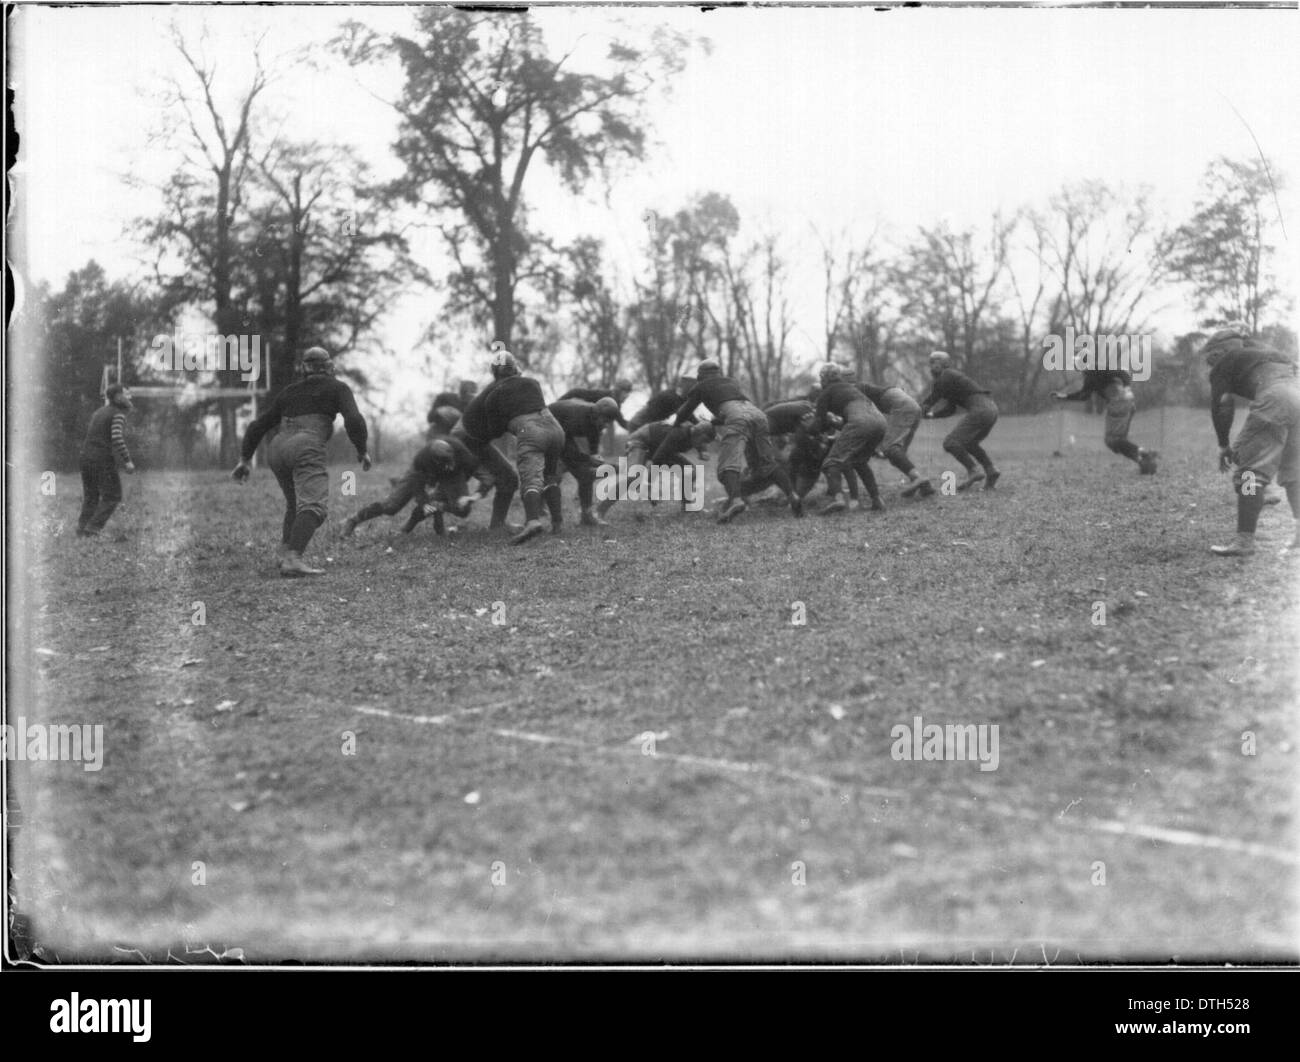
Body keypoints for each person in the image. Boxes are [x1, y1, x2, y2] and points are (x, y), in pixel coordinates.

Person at [232, 346, 370, 577]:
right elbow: (354, 419)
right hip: (306, 445)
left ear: (304, 368)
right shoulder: (338, 388)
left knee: (295, 504)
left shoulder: (288, 392)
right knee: (314, 506)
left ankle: (285, 552)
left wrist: (244, 459)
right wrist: (362, 449)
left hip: (277, 448)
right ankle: (293, 558)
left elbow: (258, 425)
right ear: (328, 366)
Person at [1201, 328, 1300, 557]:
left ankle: (1245, 540)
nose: (1210, 361)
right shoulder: (1263, 351)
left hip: (1276, 397)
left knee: (1248, 471)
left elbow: (1222, 404)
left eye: (1212, 354)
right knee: (1294, 471)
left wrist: (1223, 444)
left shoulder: (1227, 360)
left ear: (1224, 349)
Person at [672, 360, 803, 522]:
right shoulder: (731, 382)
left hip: (736, 415)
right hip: (758, 415)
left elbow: (684, 411)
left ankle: (736, 500)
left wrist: (676, 425)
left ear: (700, 375)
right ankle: (793, 495)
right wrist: (713, 421)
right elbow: (736, 408)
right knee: (768, 463)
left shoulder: (701, 386)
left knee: (727, 465)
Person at [460, 346, 565, 544]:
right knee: (550, 476)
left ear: (494, 372)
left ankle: (532, 521)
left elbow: (496, 430)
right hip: (555, 427)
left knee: (530, 479)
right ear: (515, 368)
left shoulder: (493, 395)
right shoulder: (533, 382)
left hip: (531, 431)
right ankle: (557, 523)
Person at [340, 437, 480, 539]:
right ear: (435, 460)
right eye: (445, 463)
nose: (449, 465)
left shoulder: (460, 450)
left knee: (463, 508)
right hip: (423, 475)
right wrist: (424, 502)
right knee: (391, 506)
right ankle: (353, 520)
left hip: (452, 477)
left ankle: (435, 520)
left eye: (451, 461)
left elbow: (472, 468)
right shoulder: (422, 460)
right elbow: (417, 485)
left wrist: (466, 494)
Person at [595, 420, 715, 519]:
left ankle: (687, 507)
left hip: (657, 447)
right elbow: (658, 459)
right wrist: (649, 487)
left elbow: (663, 455)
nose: (703, 444)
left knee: (690, 471)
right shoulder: (679, 434)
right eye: (704, 441)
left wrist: (702, 450)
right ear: (697, 434)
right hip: (641, 441)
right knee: (633, 477)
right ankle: (600, 511)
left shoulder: (694, 435)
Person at [807, 364, 887, 514]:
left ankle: (838, 499)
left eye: (821, 378)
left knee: (832, 462)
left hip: (861, 422)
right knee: (859, 461)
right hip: (880, 422)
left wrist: (808, 428)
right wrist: (834, 422)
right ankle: (877, 500)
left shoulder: (826, 393)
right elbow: (848, 422)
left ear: (824, 378)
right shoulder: (851, 389)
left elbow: (818, 425)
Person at [920, 351, 1001, 491]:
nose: (932, 366)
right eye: (931, 363)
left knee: (950, 443)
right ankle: (991, 470)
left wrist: (923, 407)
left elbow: (934, 395)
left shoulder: (947, 375)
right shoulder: (949, 381)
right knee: (969, 443)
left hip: (981, 409)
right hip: (991, 409)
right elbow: (950, 409)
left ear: (944, 364)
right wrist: (931, 415)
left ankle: (974, 470)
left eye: (936, 362)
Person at [1052, 368, 1157, 474]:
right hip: (1127, 405)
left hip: (1118, 404)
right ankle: (1143, 460)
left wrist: (1126, 390)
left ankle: (1145, 455)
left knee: (1112, 440)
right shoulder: (1091, 377)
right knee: (1118, 441)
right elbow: (1084, 395)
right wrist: (1063, 396)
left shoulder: (1097, 370)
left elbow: (1123, 374)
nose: (1080, 371)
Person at [548, 395, 623, 527]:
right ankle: (550, 519)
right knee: (554, 475)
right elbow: (567, 451)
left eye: (608, 422)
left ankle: (586, 516)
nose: (605, 425)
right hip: (549, 429)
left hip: (565, 432)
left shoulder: (594, 421)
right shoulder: (577, 419)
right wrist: (588, 459)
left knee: (585, 475)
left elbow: (593, 447)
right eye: (604, 420)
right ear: (596, 414)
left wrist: (595, 458)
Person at [857, 380, 934, 497]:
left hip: (903, 408)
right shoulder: (877, 390)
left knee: (890, 448)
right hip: (914, 408)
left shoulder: (857, 390)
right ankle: (924, 486)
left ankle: (917, 478)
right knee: (899, 452)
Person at [77, 384, 136, 537]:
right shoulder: (118, 414)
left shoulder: (98, 412)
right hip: (101, 459)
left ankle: (82, 530)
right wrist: (127, 461)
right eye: (127, 394)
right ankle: (93, 528)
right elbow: (117, 438)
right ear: (118, 397)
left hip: (86, 457)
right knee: (113, 495)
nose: (130, 397)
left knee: (91, 497)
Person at [557, 379, 634, 430]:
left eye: (628, 393)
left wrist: (638, 427)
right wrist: (557, 404)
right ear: (618, 391)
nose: (627, 396)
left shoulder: (616, 405)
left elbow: (622, 422)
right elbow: (576, 392)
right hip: (574, 419)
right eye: (625, 392)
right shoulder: (603, 395)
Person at [628, 376, 696, 431]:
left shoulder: (680, 397)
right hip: (639, 423)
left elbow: (688, 413)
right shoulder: (671, 397)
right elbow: (685, 414)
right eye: (692, 388)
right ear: (685, 387)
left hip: (647, 423)